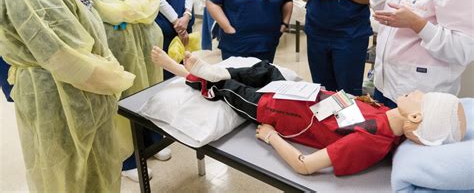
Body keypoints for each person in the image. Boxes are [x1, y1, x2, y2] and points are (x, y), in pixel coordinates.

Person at [0, 0, 135, 191]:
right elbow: (70, 59)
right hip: (62, 102)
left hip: (84, 98)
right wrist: (123, 80)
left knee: (95, 174)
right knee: (74, 179)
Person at [150, 47, 467, 176]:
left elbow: (306, 166)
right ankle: (218, 73)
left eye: (421, 98)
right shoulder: (386, 110)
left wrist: (272, 136)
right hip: (299, 95)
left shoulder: (372, 141)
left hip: (276, 113)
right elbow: (348, 103)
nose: (417, 92)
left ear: (416, 118)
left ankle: (183, 72)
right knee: (264, 69)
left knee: (229, 91)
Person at [78, 0, 170, 181]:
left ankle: (151, 143)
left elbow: (154, 2)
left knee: (150, 93)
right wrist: (137, 8)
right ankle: (128, 160)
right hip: (118, 47)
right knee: (124, 101)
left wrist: (133, 10)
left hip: (147, 43)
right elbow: (109, 9)